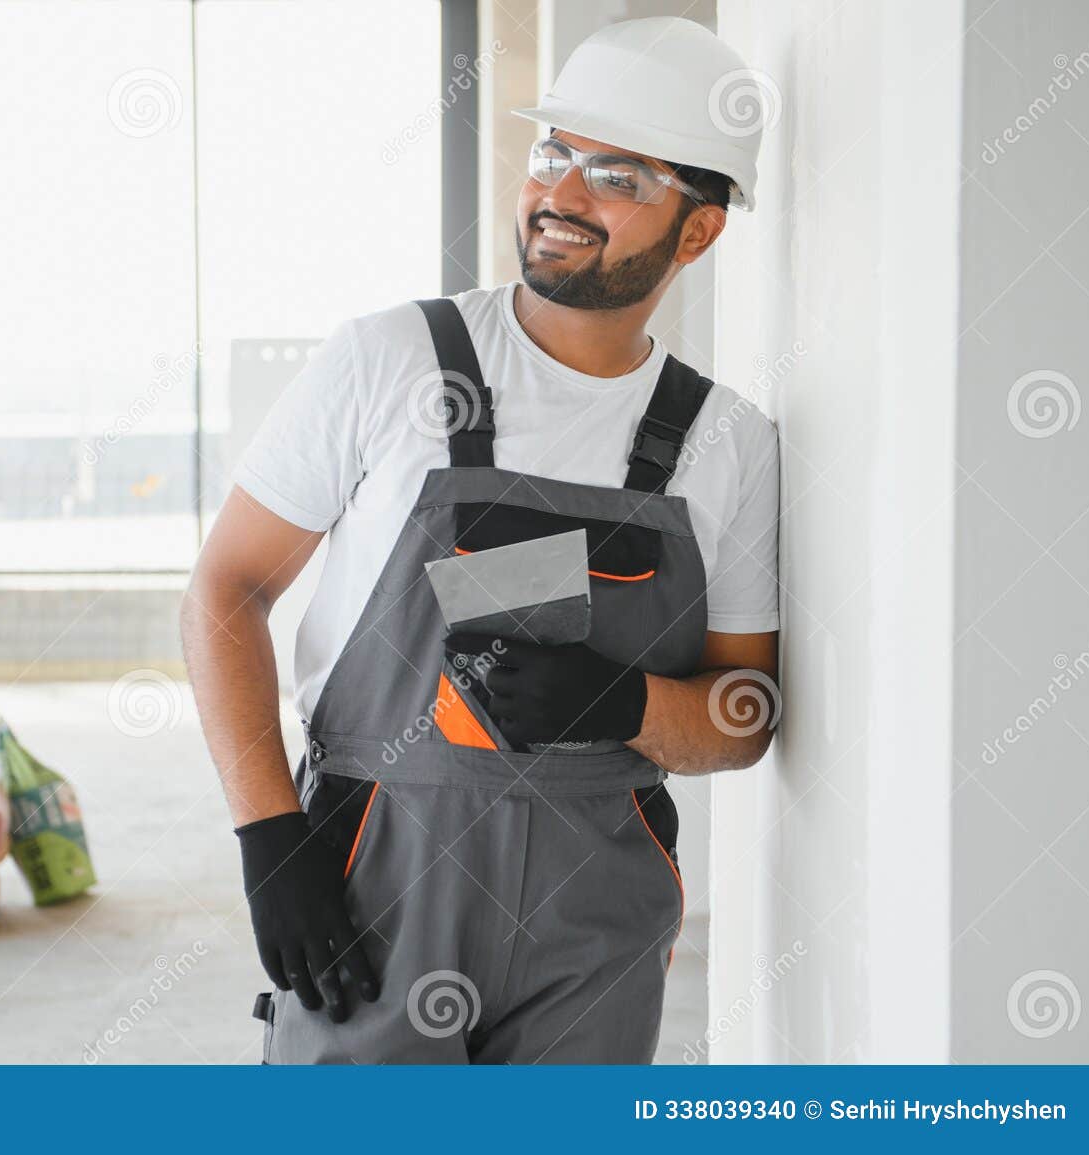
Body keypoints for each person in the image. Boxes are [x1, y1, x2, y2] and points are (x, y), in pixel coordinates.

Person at [181, 16, 780, 1064]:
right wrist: (269, 836)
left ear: (697, 231)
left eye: (617, 177)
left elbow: (745, 715)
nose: (560, 195)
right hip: (377, 883)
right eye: (553, 154)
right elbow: (225, 590)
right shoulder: (390, 361)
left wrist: (624, 705)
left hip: (596, 908)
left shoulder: (726, 441)